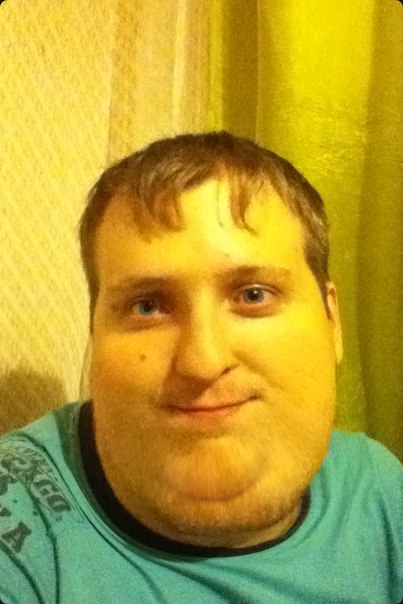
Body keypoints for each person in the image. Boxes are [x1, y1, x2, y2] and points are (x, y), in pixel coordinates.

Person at [0, 132, 401, 604]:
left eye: (253, 295)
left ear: (332, 320)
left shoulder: (376, 488)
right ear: (93, 333)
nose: (203, 362)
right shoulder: (24, 529)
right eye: (148, 306)